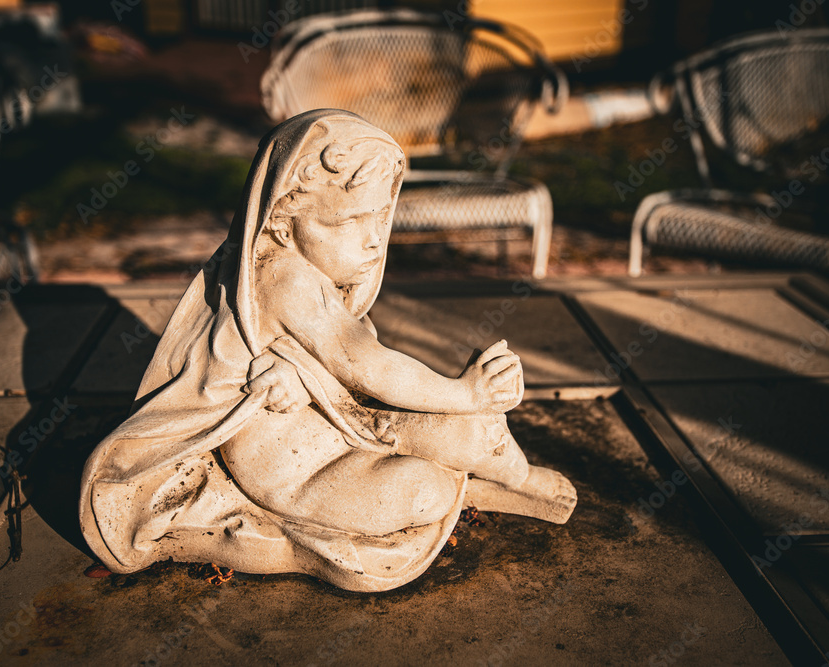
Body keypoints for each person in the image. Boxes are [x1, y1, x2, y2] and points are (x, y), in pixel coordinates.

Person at [79, 110, 575, 592]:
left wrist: (298, 374)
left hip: (343, 426)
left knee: (471, 429)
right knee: (429, 485)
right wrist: (462, 391)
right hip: (302, 473)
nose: (374, 241)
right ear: (280, 220)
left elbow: (335, 364)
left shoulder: (315, 274)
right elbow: (364, 363)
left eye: (381, 215)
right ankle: (483, 476)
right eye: (347, 223)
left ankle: (520, 478)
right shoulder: (285, 277)